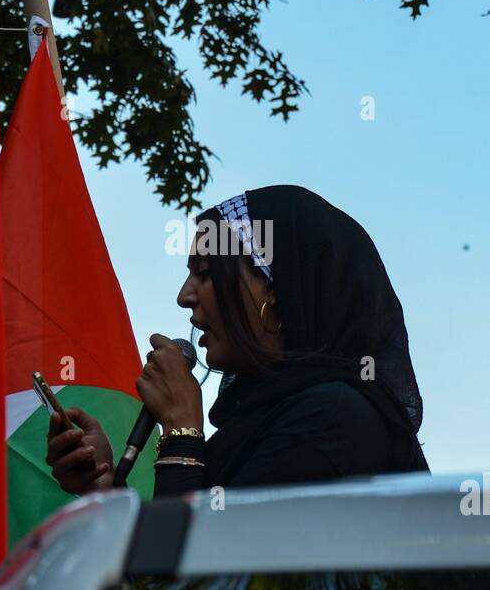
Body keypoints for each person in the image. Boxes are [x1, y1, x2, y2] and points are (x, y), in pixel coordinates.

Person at [46, 185, 428, 497]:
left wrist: (181, 427)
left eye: (206, 273)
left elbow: (192, 580)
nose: (184, 295)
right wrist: (102, 490)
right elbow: (149, 575)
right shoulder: (258, 418)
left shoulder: (333, 421)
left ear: (275, 288)